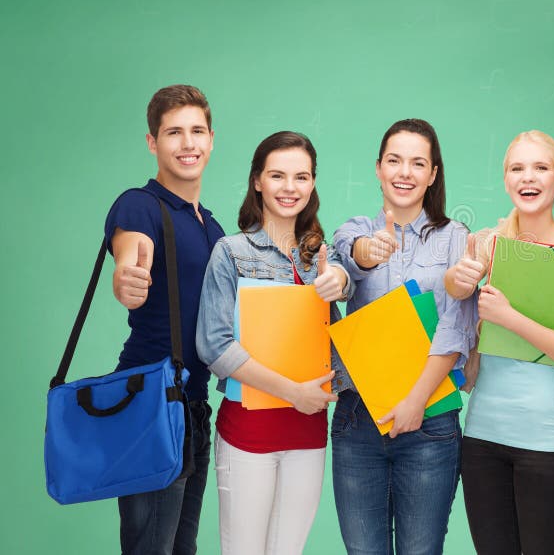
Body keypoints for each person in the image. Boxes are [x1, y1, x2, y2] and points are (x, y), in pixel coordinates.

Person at [444, 130, 554, 555]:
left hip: (549, 444)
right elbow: (454, 293)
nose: (527, 177)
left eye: (540, 167)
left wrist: (510, 318)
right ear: (506, 180)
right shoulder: (485, 243)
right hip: (482, 440)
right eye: (517, 168)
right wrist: (457, 279)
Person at [196, 131, 351, 555]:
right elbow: (215, 346)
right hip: (249, 432)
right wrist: (293, 393)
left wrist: (338, 279)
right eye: (277, 175)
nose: (289, 187)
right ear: (257, 181)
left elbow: (346, 280)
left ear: (313, 183)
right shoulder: (230, 252)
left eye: (301, 177)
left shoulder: (321, 256)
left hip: (308, 432)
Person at [331, 118, 477, 555]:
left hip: (430, 422)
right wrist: (366, 252)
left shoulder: (456, 239)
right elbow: (347, 259)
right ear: (378, 168)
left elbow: (456, 327)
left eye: (418, 163)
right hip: (358, 419)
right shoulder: (355, 229)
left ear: (433, 174)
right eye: (394, 161)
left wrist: (416, 400)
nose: (404, 173)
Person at [105, 84, 224, 555]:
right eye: (174, 132)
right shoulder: (140, 205)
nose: (188, 143)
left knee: (181, 548)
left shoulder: (212, 226)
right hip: (151, 403)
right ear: (153, 142)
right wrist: (127, 278)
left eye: (197, 131)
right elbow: (131, 254)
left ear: (211, 140)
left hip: (194, 406)